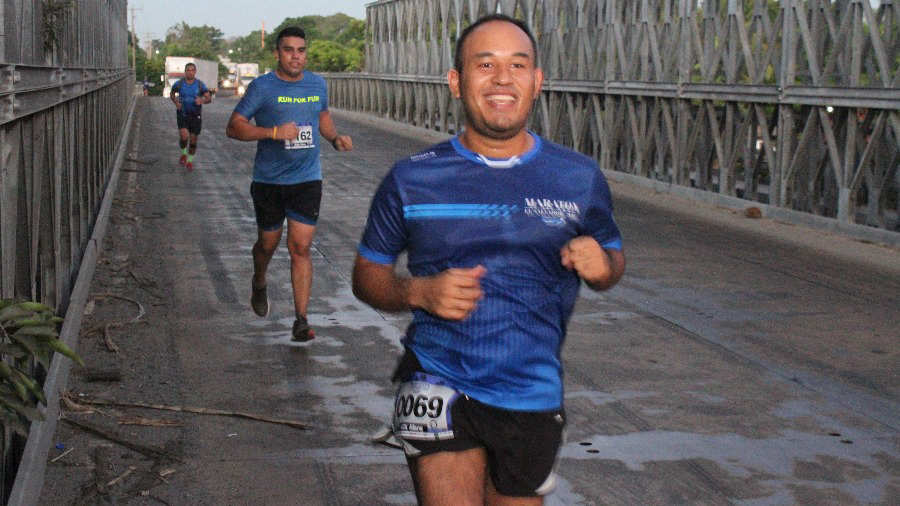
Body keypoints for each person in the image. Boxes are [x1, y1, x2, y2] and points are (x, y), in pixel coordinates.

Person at [352, 14, 625, 505]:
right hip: (437, 376)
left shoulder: (578, 177)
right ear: (456, 82)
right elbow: (367, 275)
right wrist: (418, 291)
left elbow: (613, 260)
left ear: (537, 82)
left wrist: (602, 267)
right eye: (485, 65)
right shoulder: (412, 178)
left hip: (531, 391)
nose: (502, 78)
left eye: (517, 65)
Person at [226, 26, 353, 342]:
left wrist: (334, 137)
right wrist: (272, 133)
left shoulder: (317, 84)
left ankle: (301, 320)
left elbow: (322, 117)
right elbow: (234, 127)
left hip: (307, 179)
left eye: (301, 50)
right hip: (269, 181)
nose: (296, 56)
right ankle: (259, 280)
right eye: (288, 50)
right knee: (267, 245)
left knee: (300, 247)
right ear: (277, 53)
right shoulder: (262, 87)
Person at [170, 62, 211, 171]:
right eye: (188, 70)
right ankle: (184, 153)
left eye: (192, 70)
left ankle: (189, 161)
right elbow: (172, 93)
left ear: (195, 72)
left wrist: (202, 100)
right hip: (182, 114)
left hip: (196, 116)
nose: (190, 72)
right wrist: (176, 102)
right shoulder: (179, 84)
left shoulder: (200, 85)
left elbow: (209, 98)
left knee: (193, 141)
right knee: (184, 137)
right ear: (185, 72)